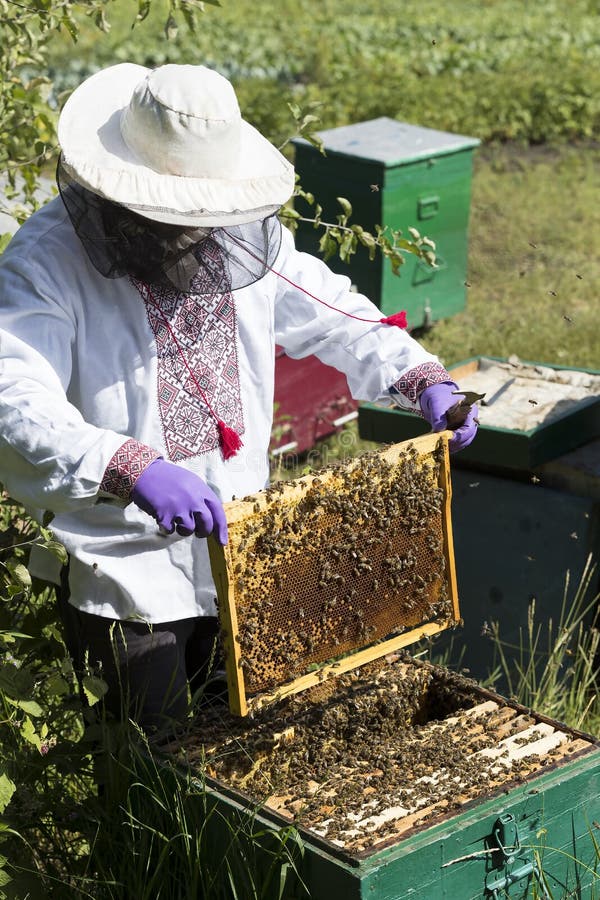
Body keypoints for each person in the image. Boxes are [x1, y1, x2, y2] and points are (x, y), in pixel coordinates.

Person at [0, 63, 478, 733]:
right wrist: (129, 466)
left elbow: (330, 308)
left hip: (246, 546)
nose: (189, 234)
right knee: (153, 769)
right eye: (170, 217)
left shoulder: (231, 230)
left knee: (257, 752)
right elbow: (14, 394)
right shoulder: (45, 262)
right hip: (125, 573)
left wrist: (420, 375)